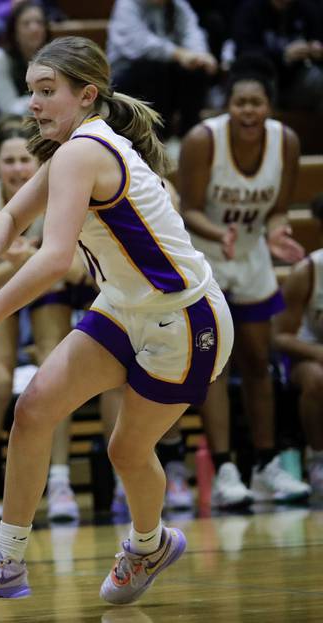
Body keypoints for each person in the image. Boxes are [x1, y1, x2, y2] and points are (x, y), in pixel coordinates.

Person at [0, 36, 234, 603]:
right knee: (34, 410)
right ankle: (8, 562)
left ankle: (148, 543)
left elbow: (55, 260)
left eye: (46, 91)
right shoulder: (69, 150)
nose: (33, 104)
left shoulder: (85, 151)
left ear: (86, 96)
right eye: (31, 90)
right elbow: (9, 214)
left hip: (184, 321)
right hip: (123, 307)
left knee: (125, 451)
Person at [179, 54, 312, 506]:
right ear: (228, 106)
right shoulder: (203, 140)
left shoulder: (286, 142)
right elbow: (188, 209)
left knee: (258, 361)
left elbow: (278, 208)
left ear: (270, 107)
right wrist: (221, 233)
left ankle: (266, 464)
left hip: (251, 253)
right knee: (216, 364)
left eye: (256, 103)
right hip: (205, 255)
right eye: (240, 103)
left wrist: (277, 233)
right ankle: (224, 471)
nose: (249, 111)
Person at [0, 117, 86, 523]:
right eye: (9, 161)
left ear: (37, 163)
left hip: (49, 286)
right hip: (3, 289)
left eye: (24, 159)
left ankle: (59, 481)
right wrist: (19, 263)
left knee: (53, 378)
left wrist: (29, 261)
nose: (18, 168)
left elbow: (74, 270)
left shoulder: (59, 190)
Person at [107, 0, 218, 138]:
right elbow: (138, 44)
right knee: (153, 68)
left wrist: (200, 55)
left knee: (196, 70)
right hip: (129, 74)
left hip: (166, 73)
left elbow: (192, 33)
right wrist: (178, 53)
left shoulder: (178, 5)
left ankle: (189, 136)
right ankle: (156, 136)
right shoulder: (128, 4)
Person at [273, 203, 323, 496]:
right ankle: (318, 459)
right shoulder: (309, 272)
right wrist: (317, 353)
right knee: (318, 377)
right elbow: (280, 337)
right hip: (307, 356)